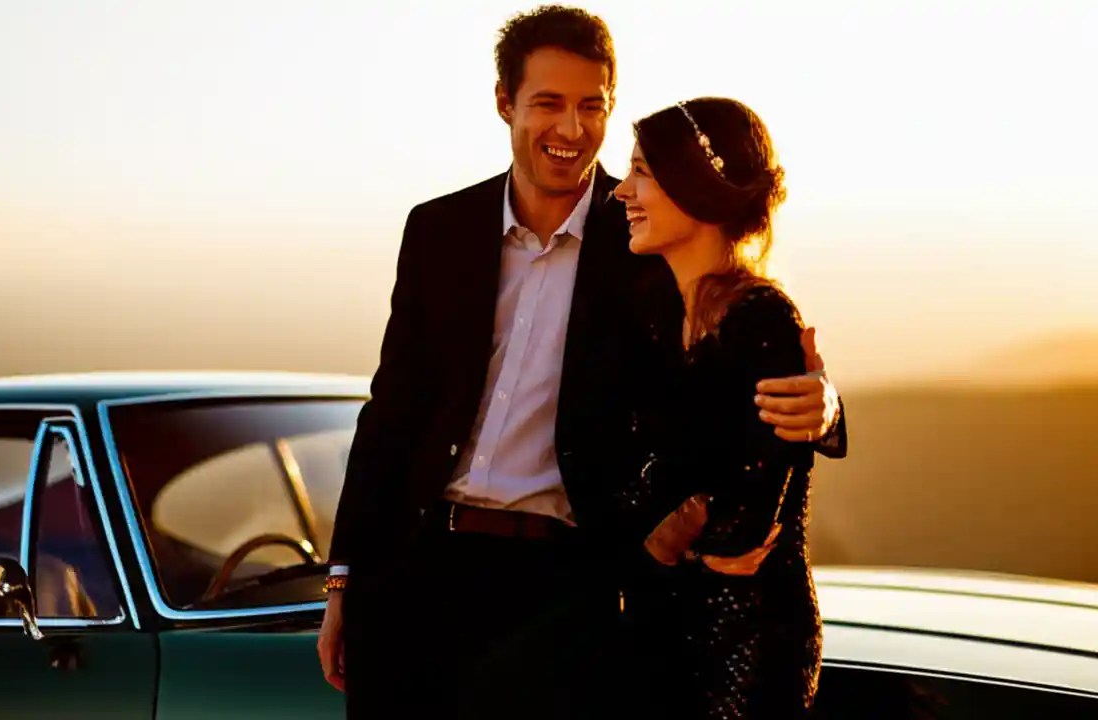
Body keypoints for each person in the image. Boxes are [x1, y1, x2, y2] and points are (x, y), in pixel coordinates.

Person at [315, 6, 848, 718]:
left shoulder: (646, 240)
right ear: (505, 103)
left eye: (591, 106)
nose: (571, 130)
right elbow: (391, 411)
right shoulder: (438, 231)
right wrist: (346, 580)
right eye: (548, 104)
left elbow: (742, 356)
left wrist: (828, 409)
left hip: (565, 590)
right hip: (414, 573)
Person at [612, 97, 823, 719]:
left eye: (642, 172)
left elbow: (743, 524)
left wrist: (663, 537)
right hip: (661, 624)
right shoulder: (655, 314)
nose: (622, 190)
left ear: (694, 185)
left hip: (745, 639)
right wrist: (656, 540)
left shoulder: (761, 318)